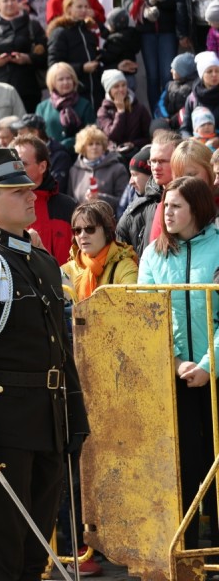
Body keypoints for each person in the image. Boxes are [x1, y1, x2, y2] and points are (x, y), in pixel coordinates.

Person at [0, 147, 89, 581]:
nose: (30, 196)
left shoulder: (40, 261)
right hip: (2, 422)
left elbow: (60, 347)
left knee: (35, 552)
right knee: (2, 553)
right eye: (17, 191)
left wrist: (75, 413)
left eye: (30, 188)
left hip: (47, 418)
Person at [137, 176, 219, 548]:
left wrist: (208, 365)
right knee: (183, 464)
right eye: (165, 206)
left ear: (197, 209)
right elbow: (146, 316)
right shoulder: (153, 254)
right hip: (174, 376)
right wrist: (172, 361)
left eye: (176, 206)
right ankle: (187, 552)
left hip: (214, 374)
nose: (166, 213)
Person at [11, 134, 76, 265]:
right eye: (14, 164)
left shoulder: (68, 206)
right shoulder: (6, 207)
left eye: (23, 164)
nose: (16, 169)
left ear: (42, 167)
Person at [61, 199, 138, 305]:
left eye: (90, 229)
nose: (83, 235)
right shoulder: (66, 270)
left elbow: (131, 308)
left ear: (107, 231)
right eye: (77, 230)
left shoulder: (125, 267)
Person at [35, 62, 95, 150]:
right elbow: (38, 137)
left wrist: (68, 143)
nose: (66, 82)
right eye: (61, 79)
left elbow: (92, 134)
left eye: (69, 78)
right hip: (52, 155)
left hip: (79, 154)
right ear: (52, 83)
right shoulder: (42, 108)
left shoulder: (85, 104)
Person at [68, 125, 129, 209]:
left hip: (109, 216)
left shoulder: (118, 169)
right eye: (90, 144)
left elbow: (125, 201)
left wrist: (100, 198)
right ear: (83, 148)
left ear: (103, 147)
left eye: (98, 143)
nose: (94, 147)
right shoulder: (74, 171)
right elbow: (70, 202)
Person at [96, 69, 151, 162]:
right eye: (116, 86)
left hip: (137, 155)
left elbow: (148, 137)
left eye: (123, 85)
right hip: (115, 157)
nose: (121, 89)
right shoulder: (103, 111)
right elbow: (112, 136)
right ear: (109, 90)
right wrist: (120, 112)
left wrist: (133, 144)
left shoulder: (138, 108)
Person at [181, 52, 219, 138]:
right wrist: (191, 140)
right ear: (202, 75)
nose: (214, 74)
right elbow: (185, 129)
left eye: (217, 71)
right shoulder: (192, 98)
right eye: (209, 71)